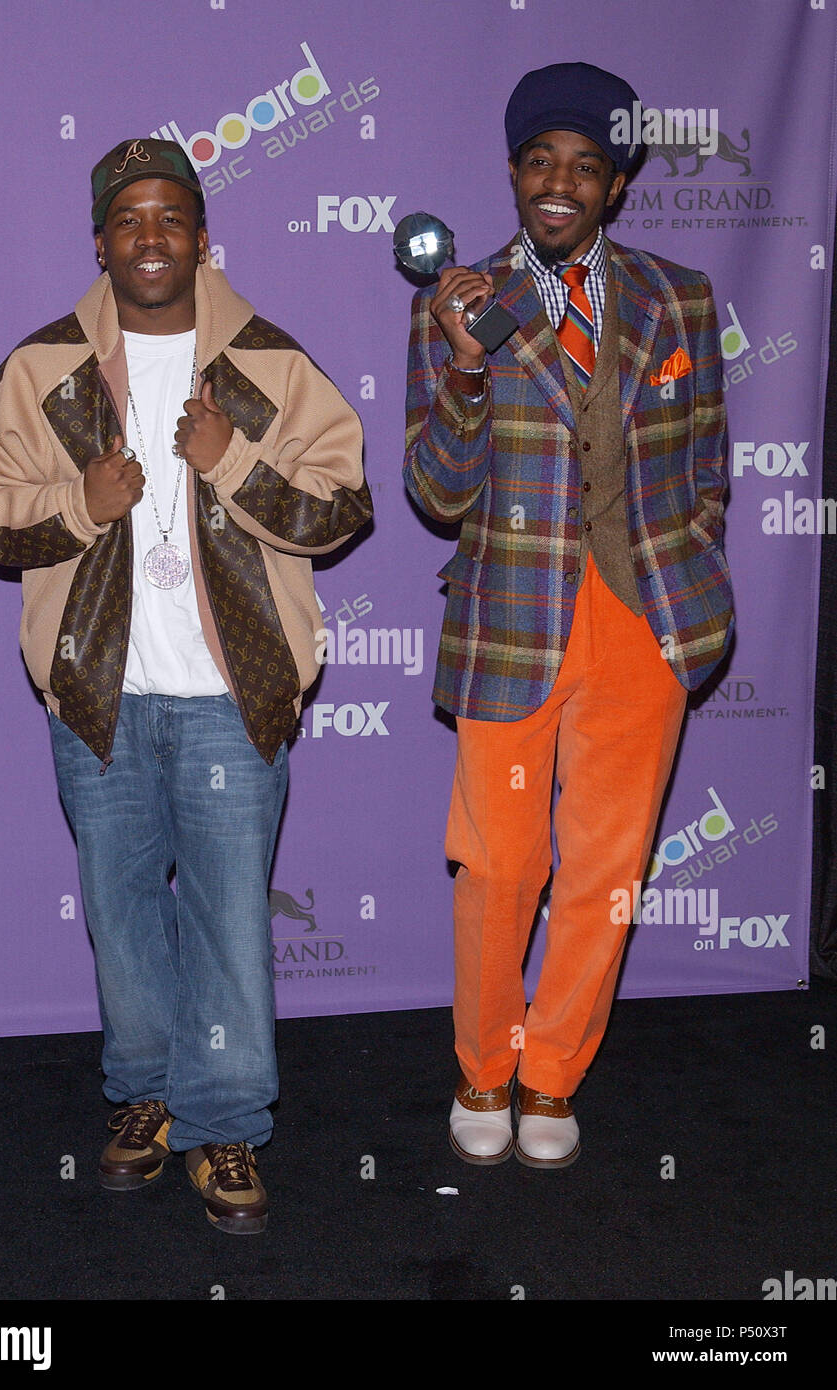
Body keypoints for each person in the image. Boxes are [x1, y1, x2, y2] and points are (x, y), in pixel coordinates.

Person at [0, 138, 371, 1231]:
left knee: (229, 921)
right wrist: (79, 501)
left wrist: (231, 458)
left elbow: (342, 506)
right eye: (128, 218)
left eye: (169, 217)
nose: (148, 236)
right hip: (99, 697)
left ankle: (224, 1119)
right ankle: (144, 1097)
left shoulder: (271, 365)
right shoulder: (45, 368)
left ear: (200, 237)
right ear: (101, 240)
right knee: (122, 918)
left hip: (234, 699)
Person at [403, 64, 733, 1169]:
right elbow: (437, 492)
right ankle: (482, 1066)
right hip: (510, 616)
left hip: (641, 617)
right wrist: (458, 369)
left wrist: (687, 566)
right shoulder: (460, 301)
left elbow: (707, 462)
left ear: (616, 185)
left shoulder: (676, 297)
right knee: (500, 864)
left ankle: (550, 1076)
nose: (560, 182)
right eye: (541, 160)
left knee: (607, 865)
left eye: (586, 165)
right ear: (510, 171)